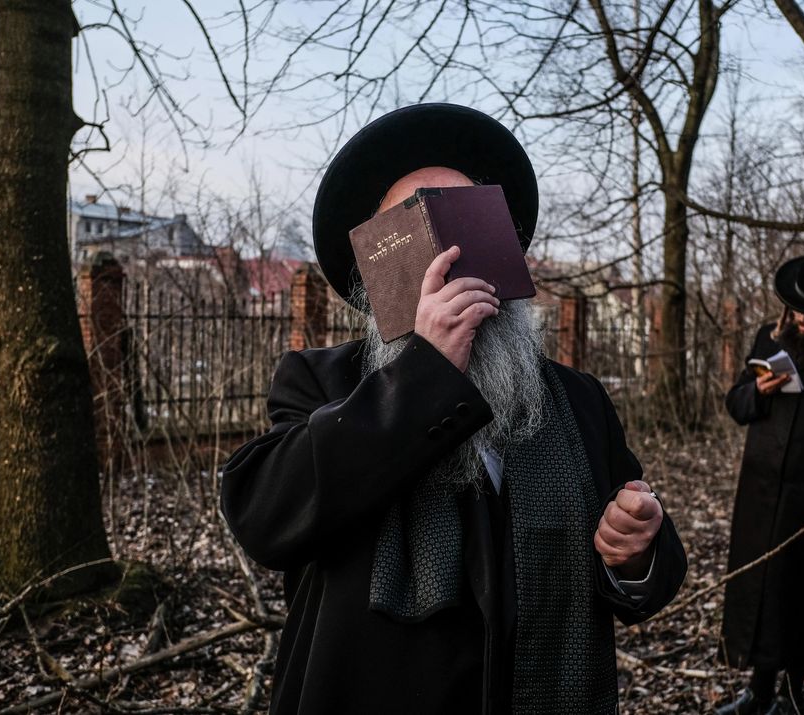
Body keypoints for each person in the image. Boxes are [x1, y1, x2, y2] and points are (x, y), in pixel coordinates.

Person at [220, 103, 687, 715]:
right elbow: (263, 517)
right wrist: (426, 374)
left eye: (465, 213)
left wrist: (638, 548)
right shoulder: (322, 383)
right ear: (377, 266)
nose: (447, 249)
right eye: (413, 222)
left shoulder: (577, 401)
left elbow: (646, 571)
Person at [715, 252, 804, 715]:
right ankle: (758, 693)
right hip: (762, 494)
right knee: (765, 593)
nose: (803, 320)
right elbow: (736, 403)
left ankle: (794, 694)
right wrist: (757, 392)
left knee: (803, 598)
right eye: (798, 311)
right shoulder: (770, 337)